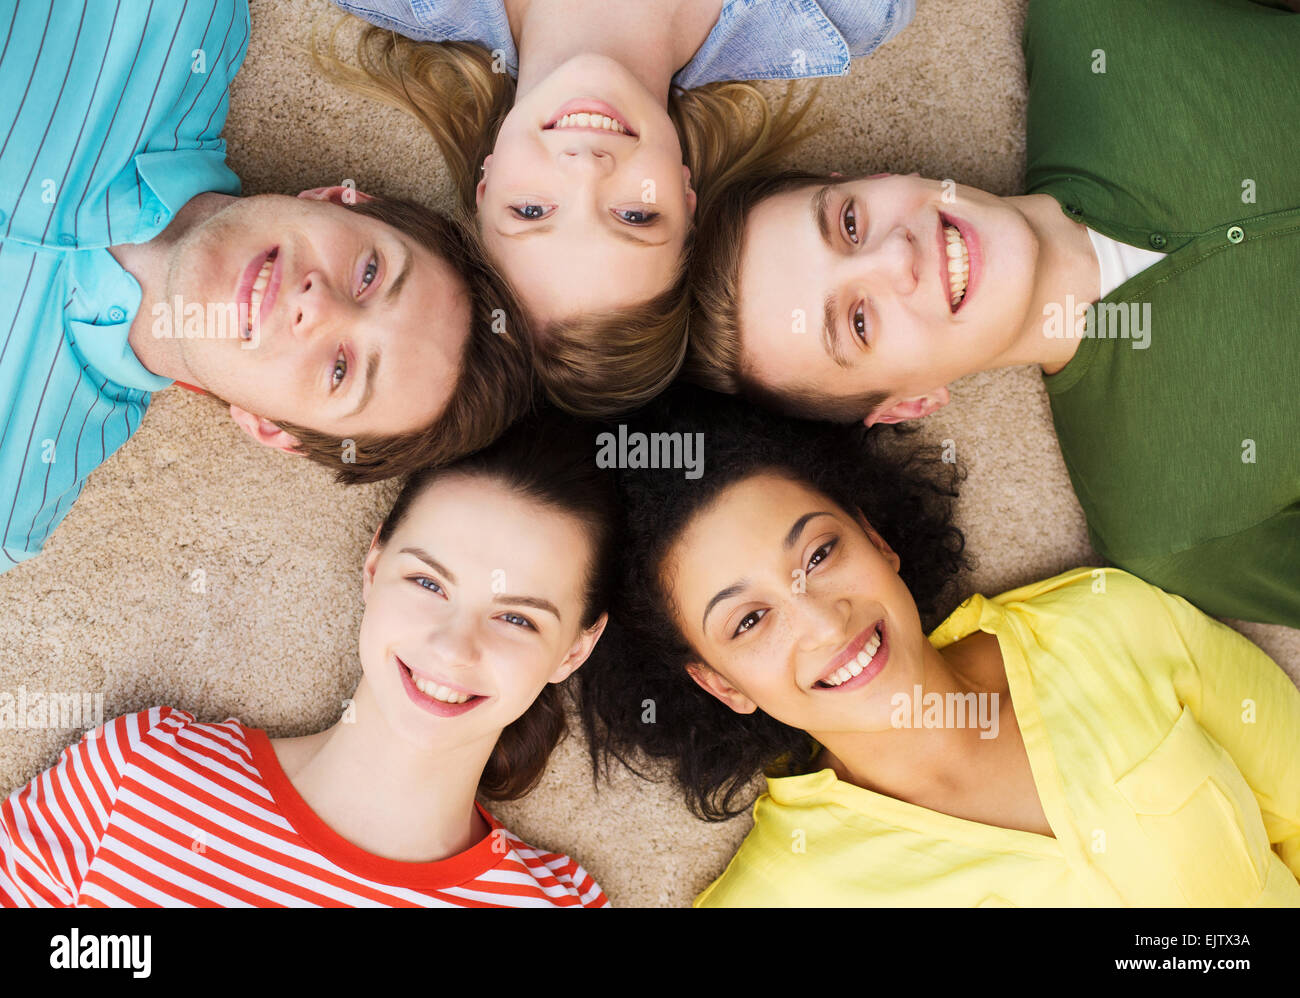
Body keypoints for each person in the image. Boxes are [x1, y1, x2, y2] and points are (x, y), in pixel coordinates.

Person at [684, 0, 1300, 627]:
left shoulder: (1099, 20)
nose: (896, 256)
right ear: (907, 404)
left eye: (849, 222)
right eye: (859, 323)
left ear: (871, 176)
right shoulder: (1173, 528)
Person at [580, 388, 1300, 906]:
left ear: (877, 538)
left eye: (821, 554)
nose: (826, 625)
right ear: (722, 685)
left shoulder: (1112, 623)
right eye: (749, 621)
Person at [0, 0, 532, 575]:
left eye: (340, 371)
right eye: (370, 274)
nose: (316, 305)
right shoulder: (180, 19)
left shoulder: (14, 493)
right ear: (339, 199)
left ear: (271, 429)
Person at [0, 412, 614, 907]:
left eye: (516, 618)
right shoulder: (140, 770)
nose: (454, 648)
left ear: (576, 649)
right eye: (428, 583)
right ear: (374, 568)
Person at [319, 0, 915, 416]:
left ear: (486, 182)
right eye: (635, 217)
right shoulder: (842, 15)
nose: (586, 167)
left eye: (530, 211)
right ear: (685, 198)